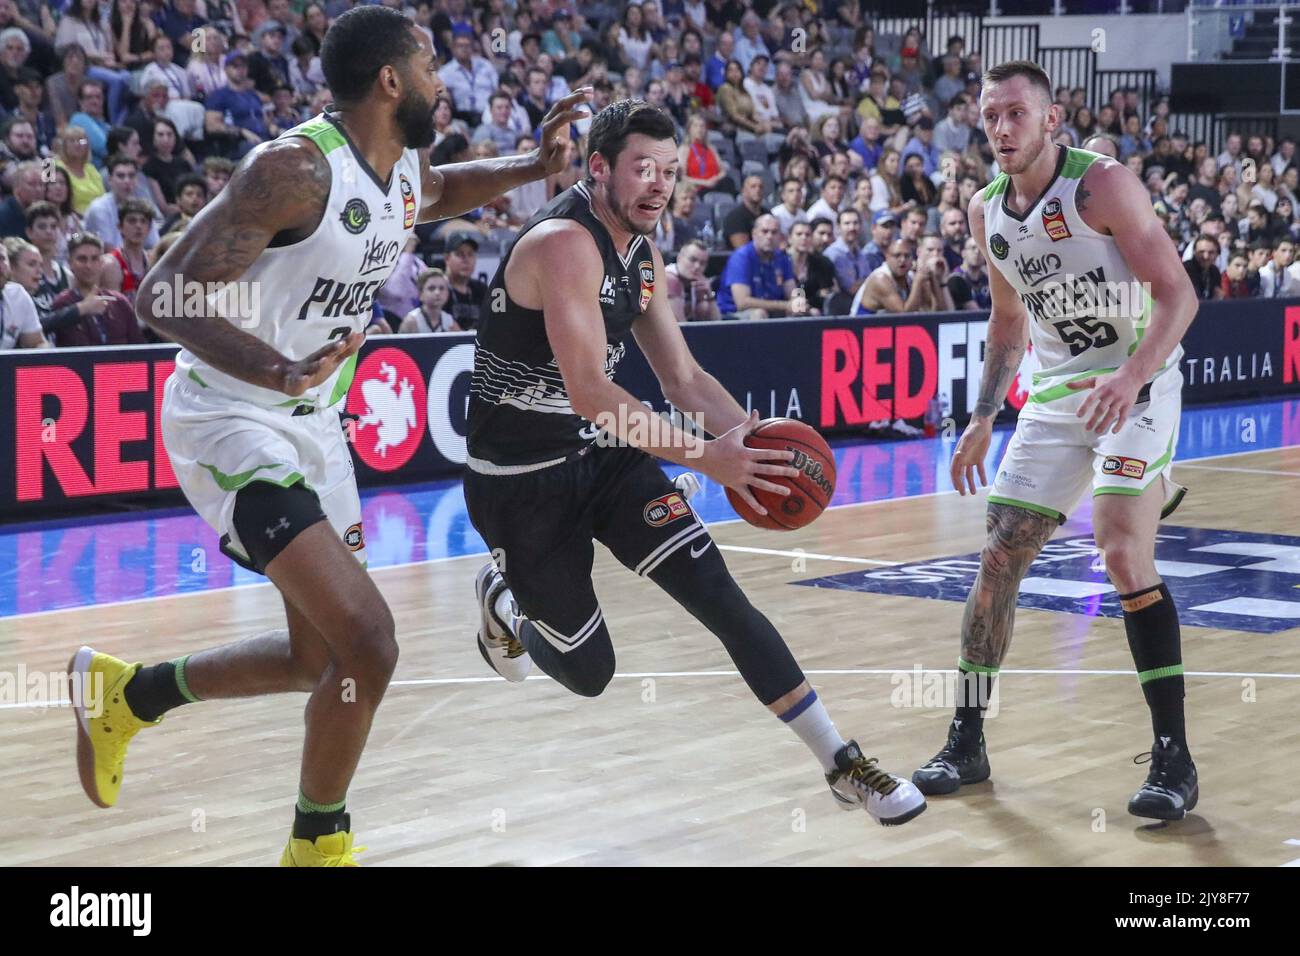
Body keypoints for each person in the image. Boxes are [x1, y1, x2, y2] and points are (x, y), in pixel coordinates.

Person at [70, 5, 589, 867]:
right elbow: (162, 294)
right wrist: (275, 369)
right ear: (390, 81)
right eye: (428, 65)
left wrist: (532, 167)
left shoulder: (401, 163)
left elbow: (438, 193)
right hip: (232, 419)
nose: (442, 79)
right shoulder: (294, 170)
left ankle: (129, 695)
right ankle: (318, 846)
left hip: (313, 423)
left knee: (324, 658)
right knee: (371, 642)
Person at [462, 98, 926, 827]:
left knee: (722, 597)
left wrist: (756, 449)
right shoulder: (563, 243)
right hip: (520, 482)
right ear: (597, 168)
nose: (658, 185)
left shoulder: (641, 253)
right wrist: (710, 459)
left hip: (605, 458)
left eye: (671, 172)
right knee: (590, 673)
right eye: (643, 168)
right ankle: (505, 604)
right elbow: (590, 391)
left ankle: (842, 763)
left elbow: (682, 380)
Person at [916, 61, 1200, 822]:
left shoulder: (1101, 186)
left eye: (1016, 114)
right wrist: (981, 416)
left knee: (1117, 547)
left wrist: (1130, 376)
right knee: (1001, 552)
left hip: (1137, 381)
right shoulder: (985, 211)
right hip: (1054, 393)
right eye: (991, 118)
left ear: (1050, 121)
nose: (1001, 129)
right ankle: (965, 739)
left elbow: (1179, 293)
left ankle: (1174, 758)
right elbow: (1008, 323)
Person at [49, 231, 142, 346]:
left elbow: (138, 347)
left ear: (102, 263)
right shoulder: (62, 304)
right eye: (82, 259)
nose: (89, 265)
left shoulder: (120, 303)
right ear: (70, 264)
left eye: (95, 258)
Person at [716, 213, 801, 318]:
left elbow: (792, 292)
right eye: (764, 231)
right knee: (759, 314)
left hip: (773, 310)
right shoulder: (741, 257)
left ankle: (826, 335)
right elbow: (742, 302)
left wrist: (798, 303)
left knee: (813, 313)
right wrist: (785, 305)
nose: (769, 236)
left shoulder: (782, 257)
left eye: (774, 232)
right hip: (734, 314)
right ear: (754, 234)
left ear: (780, 236)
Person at [0, 238, 47, 348]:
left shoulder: (18, 296)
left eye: (2, 259)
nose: (1, 266)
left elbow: (37, 343)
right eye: (31, 264)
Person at [663, 237, 719, 322]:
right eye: (692, 260)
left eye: (702, 263)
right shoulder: (670, 279)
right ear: (679, 258)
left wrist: (709, 295)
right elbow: (681, 326)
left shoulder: (698, 283)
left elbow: (718, 323)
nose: (697, 266)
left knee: (703, 306)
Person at [399, 266, 460, 332]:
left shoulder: (450, 321)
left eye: (442, 288)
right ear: (420, 294)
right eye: (431, 288)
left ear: (447, 293)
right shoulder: (411, 321)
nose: (437, 293)